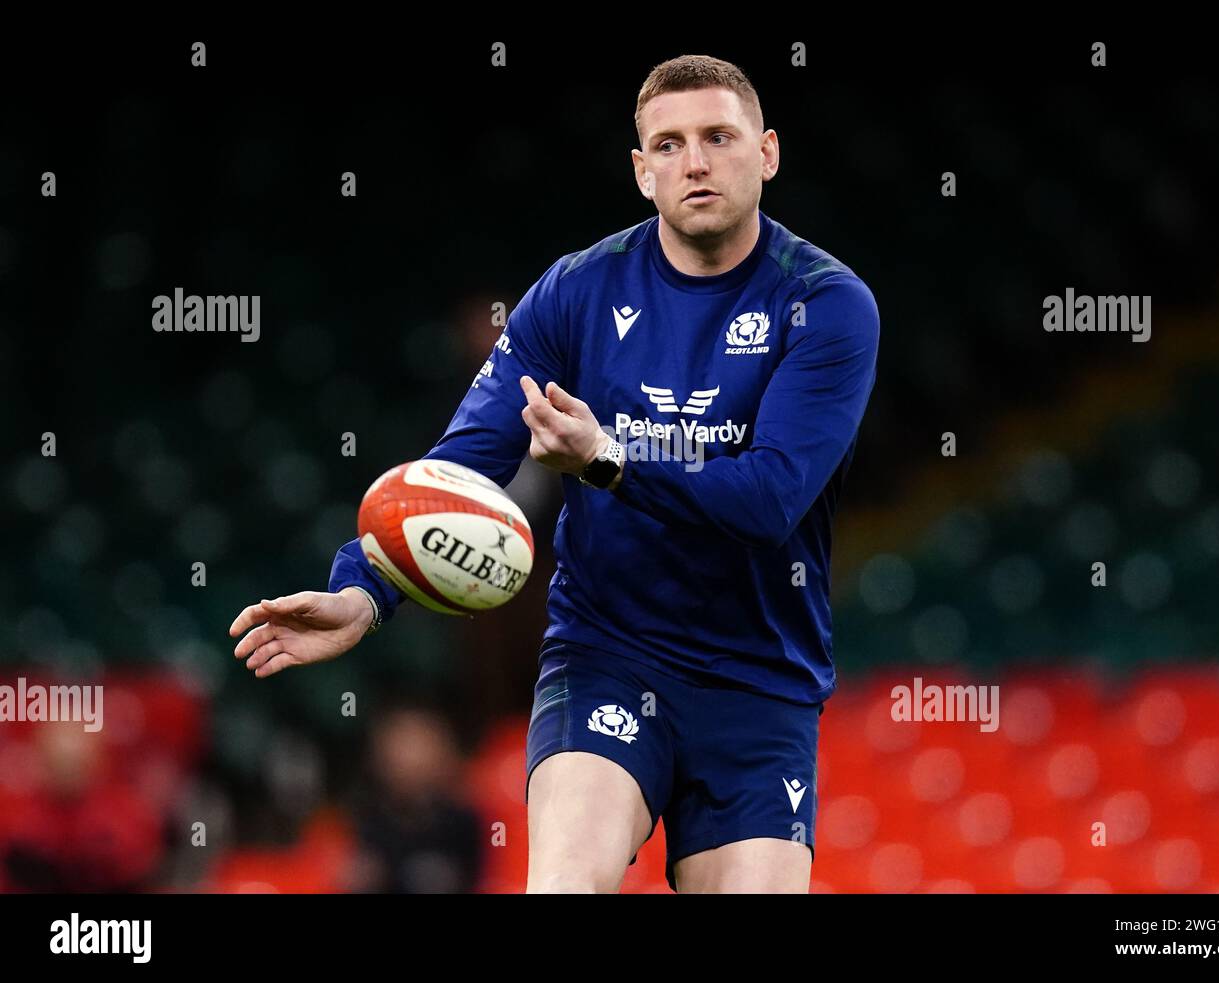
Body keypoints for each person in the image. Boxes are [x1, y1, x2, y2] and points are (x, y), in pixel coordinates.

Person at [229, 53, 880, 894]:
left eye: (719, 136)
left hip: (760, 684)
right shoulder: (573, 292)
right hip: (607, 651)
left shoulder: (826, 303)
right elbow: (464, 462)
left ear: (768, 153)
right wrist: (364, 589)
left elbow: (769, 498)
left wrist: (609, 459)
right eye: (670, 144)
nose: (697, 161)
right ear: (642, 172)